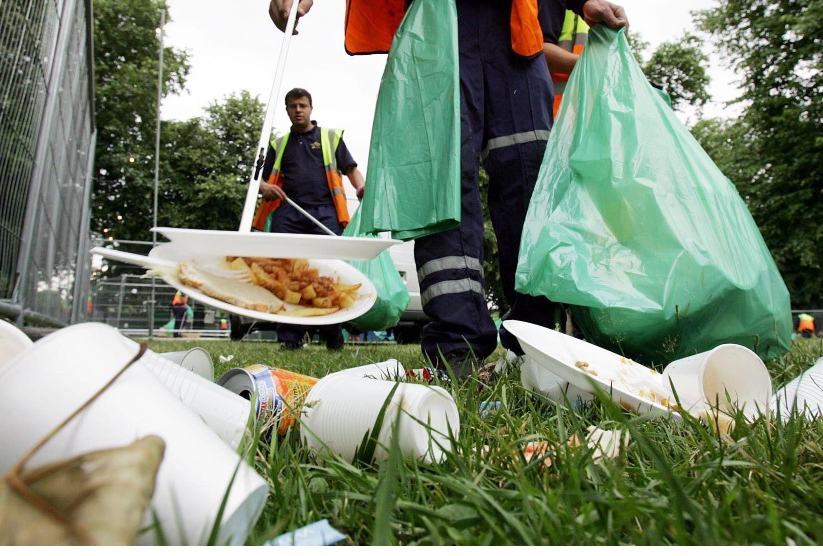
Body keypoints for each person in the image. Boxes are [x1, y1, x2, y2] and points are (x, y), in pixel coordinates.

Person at [268, 0, 628, 377]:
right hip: (434, 25)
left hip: (515, 32)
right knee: (442, 185)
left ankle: (534, 340)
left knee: (529, 180)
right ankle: (457, 346)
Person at [252, 87, 365, 351]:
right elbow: (257, 180)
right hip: (289, 213)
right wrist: (264, 188)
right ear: (287, 110)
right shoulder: (278, 144)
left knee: (328, 274)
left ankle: (333, 335)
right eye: (293, 106)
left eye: (302, 105)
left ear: (311, 108)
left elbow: (351, 170)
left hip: (325, 212)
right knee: (285, 275)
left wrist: (362, 189)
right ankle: (289, 340)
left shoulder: (329, 138)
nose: (298, 110)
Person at [540, 3, 590, 118]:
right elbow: (535, 53)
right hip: (553, 114)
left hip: (583, 116)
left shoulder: (595, 11)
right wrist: (592, 65)